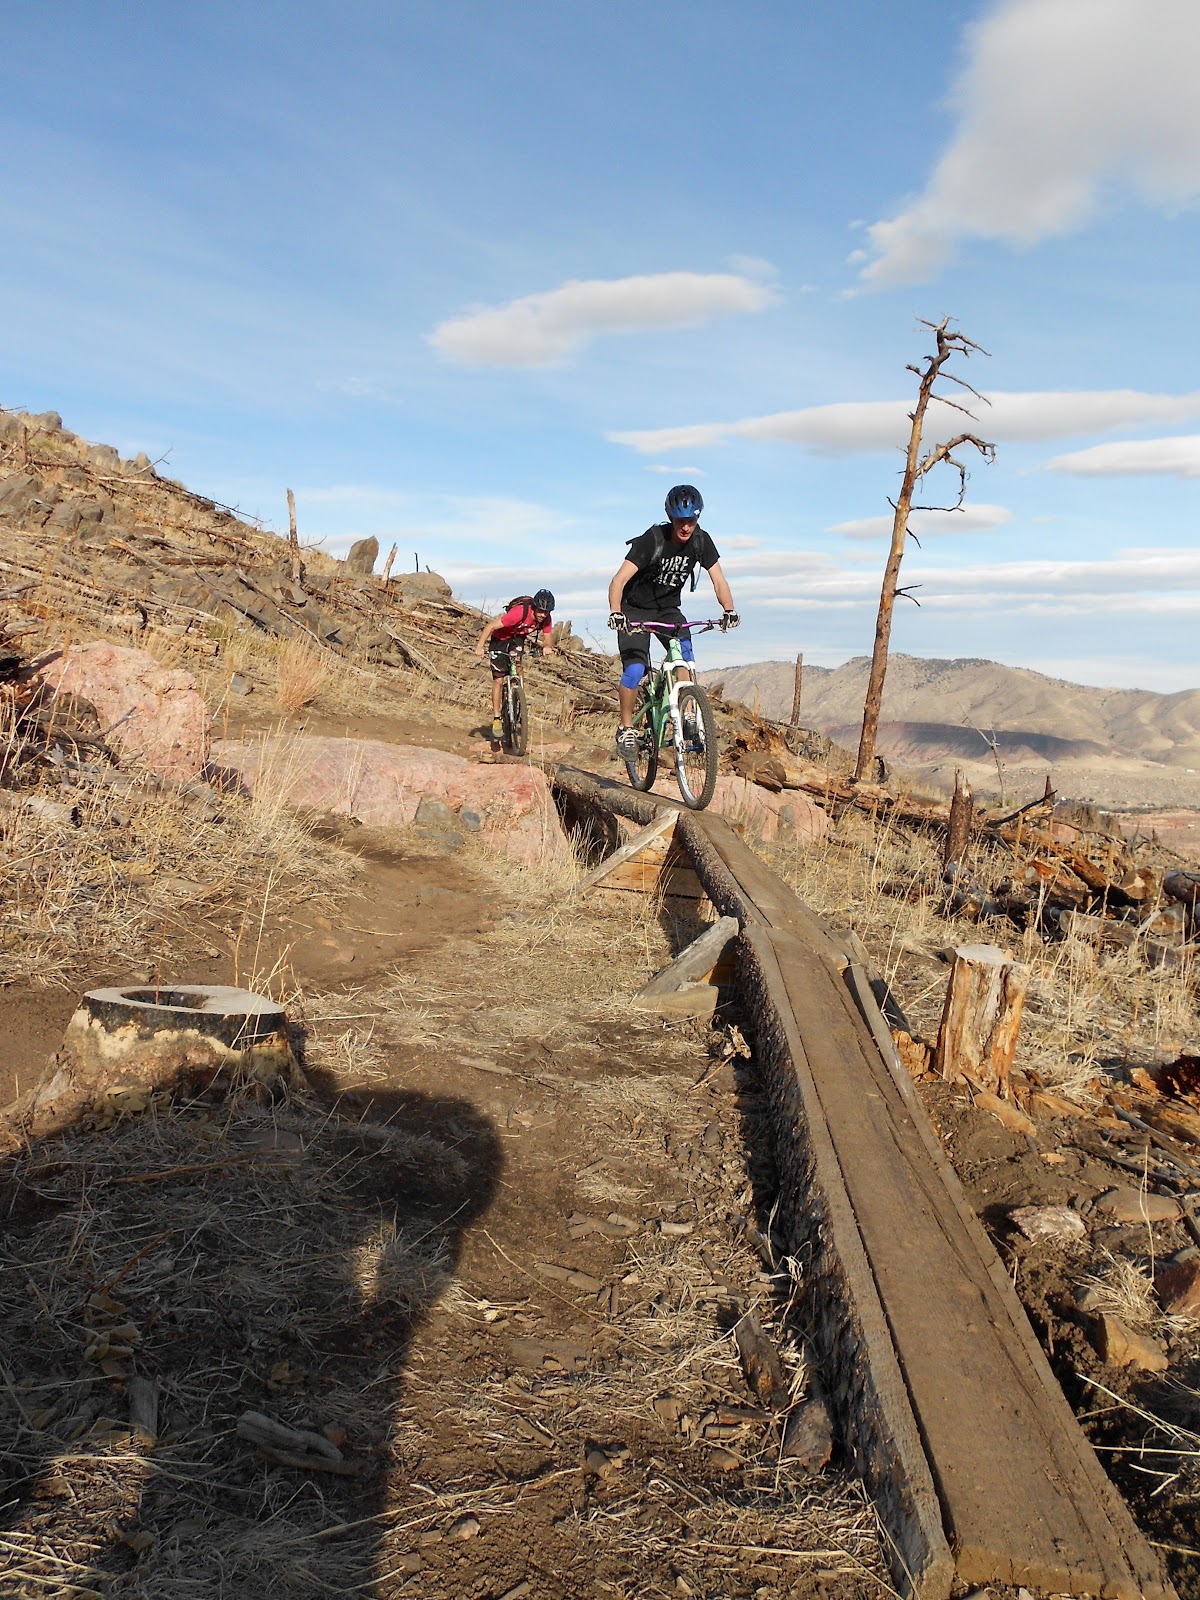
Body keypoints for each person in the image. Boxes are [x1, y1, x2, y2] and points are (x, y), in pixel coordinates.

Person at [606, 486, 738, 758]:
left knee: (684, 656)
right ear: (670, 517)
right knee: (634, 670)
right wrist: (616, 612)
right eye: (681, 521)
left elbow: (719, 580)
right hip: (634, 609)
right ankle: (627, 729)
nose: (686, 527)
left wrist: (729, 609)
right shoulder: (652, 540)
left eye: (691, 521)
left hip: (667, 609)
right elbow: (618, 580)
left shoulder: (702, 542)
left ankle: (688, 716)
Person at [474, 588, 556, 746]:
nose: (542, 615)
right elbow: (490, 627)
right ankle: (497, 718)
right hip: (500, 639)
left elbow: (548, 638)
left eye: (546, 612)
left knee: (518, 663)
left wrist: (547, 647)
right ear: (534, 607)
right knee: (498, 679)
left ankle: (518, 695)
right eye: (540, 611)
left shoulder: (546, 619)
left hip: (517, 639)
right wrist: (480, 646)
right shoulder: (518, 613)